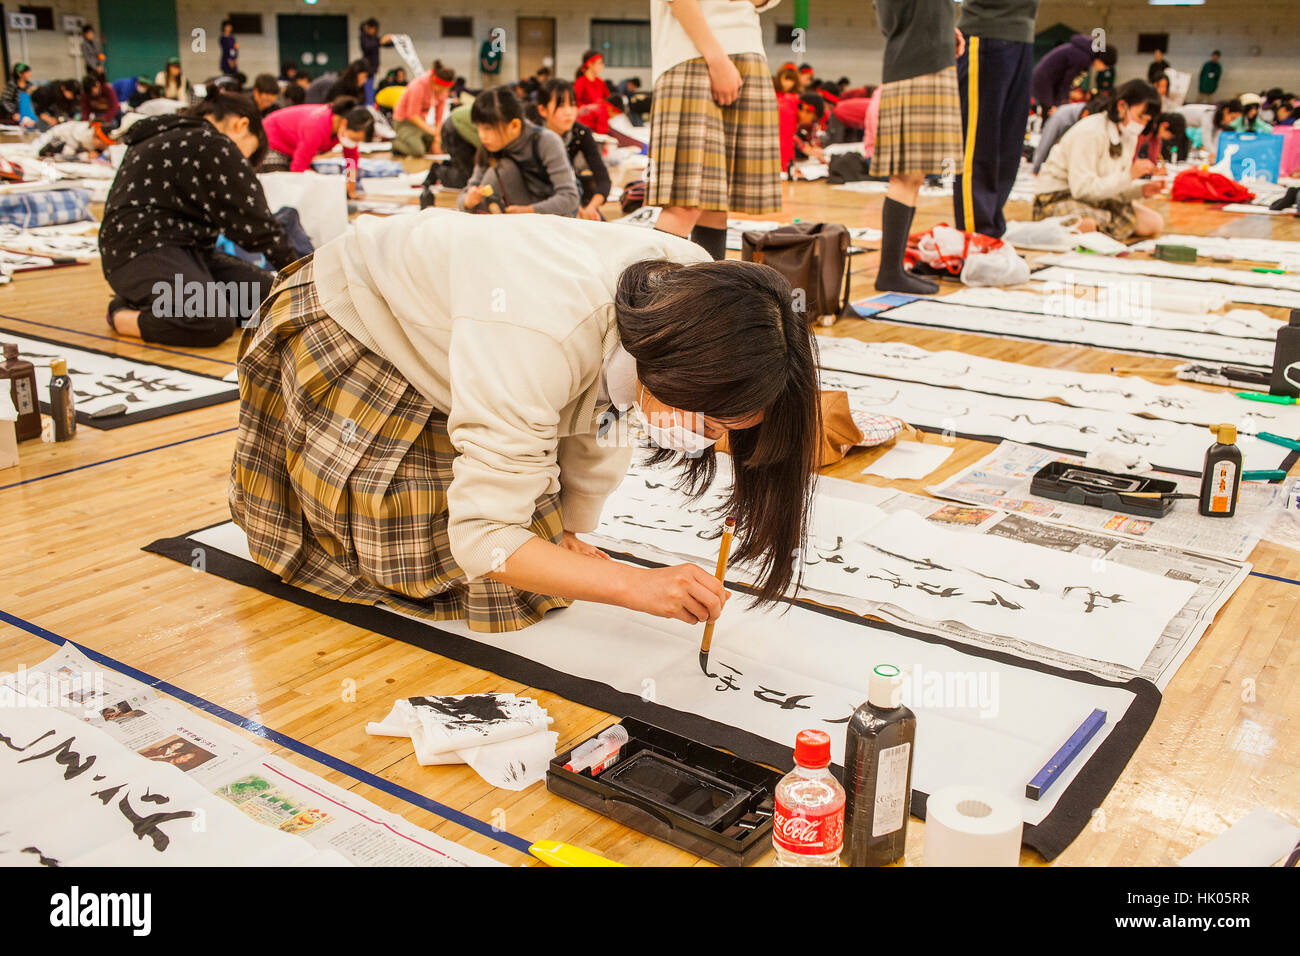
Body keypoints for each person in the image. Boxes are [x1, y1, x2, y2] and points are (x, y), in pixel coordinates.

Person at [228, 209, 820, 633]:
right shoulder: (540, 333)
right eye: (710, 425)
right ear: (674, 372)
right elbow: (482, 538)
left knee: (535, 574)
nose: (702, 441)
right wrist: (634, 587)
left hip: (487, 329)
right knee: (437, 564)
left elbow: (608, 408)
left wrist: (572, 528)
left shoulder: (691, 297)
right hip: (362, 312)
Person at [99, 92, 296, 348]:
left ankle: (170, 301)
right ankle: (121, 312)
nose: (242, 164)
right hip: (140, 252)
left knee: (273, 300)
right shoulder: (213, 143)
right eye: (246, 158)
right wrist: (301, 275)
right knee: (209, 320)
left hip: (187, 250)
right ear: (241, 125)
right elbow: (256, 225)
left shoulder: (178, 134)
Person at [646, 0, 782, 261]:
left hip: (746, 52)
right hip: (692, 55)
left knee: (716, 206)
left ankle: (707, 300)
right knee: (684, 203)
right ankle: (643, 297)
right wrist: (717, 60)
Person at [871, 0, 965, 294]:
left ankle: (894, 269)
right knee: (906, 174)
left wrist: (945, 30)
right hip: (915, 67)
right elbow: (890, 17)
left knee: (914, 176)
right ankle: (889, 272)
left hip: (927, 63)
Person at [1032, 79, 1164, 240]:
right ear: (1122, 106)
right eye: (1140, 117)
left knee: (1154, 223)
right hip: (1058, 197)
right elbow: (1082, 190)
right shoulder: (1091, 132)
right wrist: (1129, 176)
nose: (1142, 124)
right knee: (1087, 225)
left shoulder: (1129, 136)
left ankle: (1102, 229)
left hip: (1096, 199)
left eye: (1147, 121)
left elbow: (1113, 189)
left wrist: (1141, 190)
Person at [951, 0, 1040, 238]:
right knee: (979, 144)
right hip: (985, 32)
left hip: (1023, 35)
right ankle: (974, 237)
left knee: (1009, 148)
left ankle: (991, 232)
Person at [458, 86, 579, 217]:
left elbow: (569, 197)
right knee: (500, 170)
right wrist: (468, 201)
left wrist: (529, 211)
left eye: (488, 128)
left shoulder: (546, 141)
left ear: (514, 126)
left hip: (552, 220)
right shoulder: (490, 147)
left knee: (503, 168)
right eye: (479, 128)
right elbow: (467, 192)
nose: (482, 135)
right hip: (516, 217)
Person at [260, 98, 373, 197]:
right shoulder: (316, 128)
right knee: (285, 186)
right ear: (344, 123)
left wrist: (351, 183)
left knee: (316, 184)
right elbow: (298, 169)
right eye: (355, 139)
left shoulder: (343, 128)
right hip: (269, 143)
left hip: (292, 149)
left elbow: (351, 158)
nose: (354, 143)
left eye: (358, 141)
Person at [534, 79, 611, 220]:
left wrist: (591, 207)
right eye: (561, 106)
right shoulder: (534, 137)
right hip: (541, 205)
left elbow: (603, 178)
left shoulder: (580, 133)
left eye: (573, 105)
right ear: (542, 110)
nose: (569, 112)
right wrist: (571, 204)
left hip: (573, 197)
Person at [1032, 34, 1117, 114]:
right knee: (1051, 113)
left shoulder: (1084, 54)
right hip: (1045, 81)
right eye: (1105, 67)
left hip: (1048, 81)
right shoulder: (1083, 57)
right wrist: (1059, 104)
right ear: (1101, 61)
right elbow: (1066, 82)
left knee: (1054, 112)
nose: (1103, 69)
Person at [1032, 92, 1109, 173]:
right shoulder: (1060, 117)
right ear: (1086, 113)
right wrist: (1036, 169)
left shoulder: (1091, 116)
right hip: (1053, 164)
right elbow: (1045, 142)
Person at [392, 61, 456, 157]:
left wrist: (437, 140)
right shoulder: (418, 86)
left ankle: (419, 142)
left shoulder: (443, 90)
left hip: (422, 123)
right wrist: (434, 134)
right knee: (417, 151)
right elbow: (412, 116)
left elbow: (439, 116)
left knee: (446, 145)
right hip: (404, 123)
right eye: (442, 89)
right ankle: (397, 144)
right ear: (434, 81)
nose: (444, 92)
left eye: (446, 89)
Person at [573, 49, 616, 135]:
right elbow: (574, 103)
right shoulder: (580, 82)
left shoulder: (600, 82)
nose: (602, 66)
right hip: (586, 125)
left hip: (601, 124)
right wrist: (588, 107)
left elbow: (606, 100)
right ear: (589, 64)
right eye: (599, 63)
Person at [358, 18, 393, 105]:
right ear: (369, 28)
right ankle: (368, 106)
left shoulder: (374, 38)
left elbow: (386, 44)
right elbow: (368, 47)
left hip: (372, 69)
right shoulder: (364, 37)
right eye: (372, 28)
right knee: (367, 91)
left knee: (369, 90)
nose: (374, 31)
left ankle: (369, 105)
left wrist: (393, 39)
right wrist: (381, 42)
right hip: (367, 69)